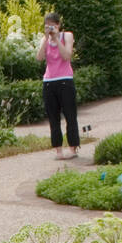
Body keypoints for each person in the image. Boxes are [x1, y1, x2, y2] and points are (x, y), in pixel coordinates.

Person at [37, 13, 80, 160]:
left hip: (65, 80)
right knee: (53, 118)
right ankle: (58, 150)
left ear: (58, 25)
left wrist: (56, 38)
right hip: (49, 81)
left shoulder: (66, 36)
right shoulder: (45, 39)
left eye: (52, 25)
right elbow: (39, 57)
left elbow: (66, 55)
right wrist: (47, 39)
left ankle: (73, 147)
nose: (50, 28)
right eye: (47, 25)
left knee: (70, 115)